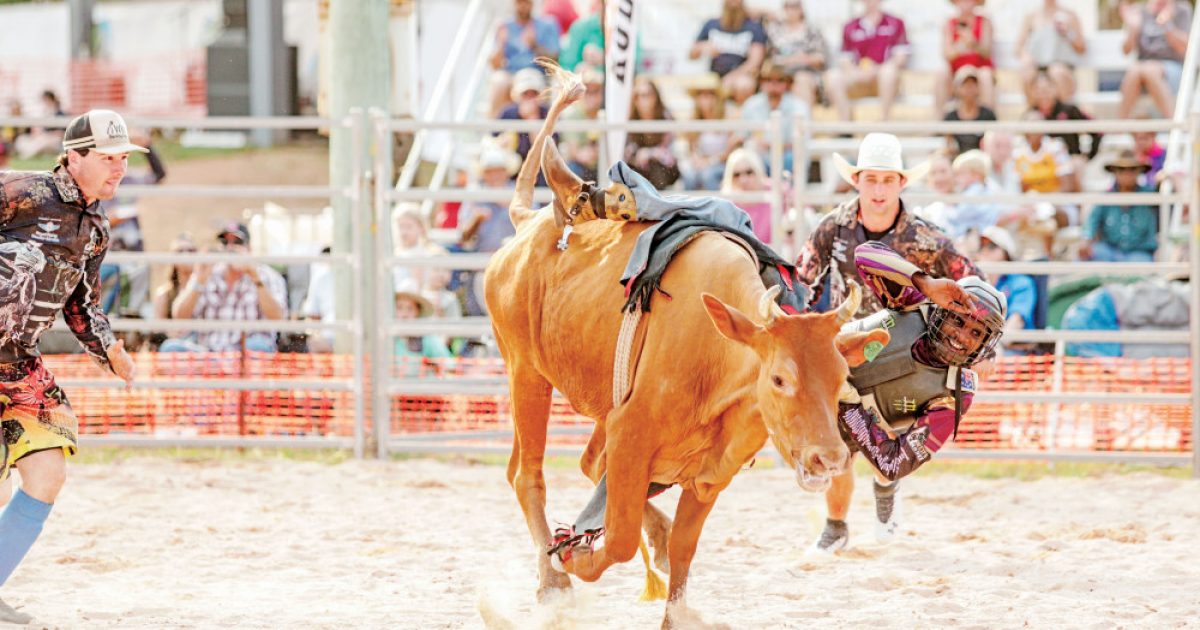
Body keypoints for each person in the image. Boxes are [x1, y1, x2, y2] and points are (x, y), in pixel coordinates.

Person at [0, 109, 139, 623]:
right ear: (74, 156)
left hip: (17, 362)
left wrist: (112, 352)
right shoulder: (21, 191)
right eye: (107, 158)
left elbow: (82, 306)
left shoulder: (95, 227)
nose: (118, 168)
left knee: (47, 474)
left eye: (123, 158)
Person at [809, 240, 1006, 554]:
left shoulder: (957, 392)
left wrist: (847, 399)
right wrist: (925, 283)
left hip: (868, 419)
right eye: (958, 320)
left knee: (870, 466)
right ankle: (835, 525)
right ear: (944, 309)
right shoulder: (914, 303)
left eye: (976, 333)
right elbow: (864, 253)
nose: (961, 337)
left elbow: (893, 462)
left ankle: (881, 494)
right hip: (819, 374)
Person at [797, 132, 984, 322]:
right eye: (871, 179)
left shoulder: (927, 238)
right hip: (845, 345)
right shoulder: (832, 227)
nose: (879, 190)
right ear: (856, 180)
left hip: (904, 349)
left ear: (901, 182)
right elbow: (800, 285)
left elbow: (976, 285)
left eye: (888, 180)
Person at [165, 222, 288, 353]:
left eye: (237, 242)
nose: (230, 248)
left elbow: (279, 318)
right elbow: (179, 316)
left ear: (249, 248)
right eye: (224, 242)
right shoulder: (208, 271)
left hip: (248, 354)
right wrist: (199, 280)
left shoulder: (268, 276)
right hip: (209, 353)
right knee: (171, 348)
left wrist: (255, 277)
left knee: (258, 346)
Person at [824, 0, 910, 122]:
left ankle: (885, 121)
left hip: (884, 77)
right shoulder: (850, 26)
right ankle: (845, 125)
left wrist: (876, 70)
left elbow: (901, 58)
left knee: (888, 72)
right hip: (859, 77)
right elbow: (845, 60)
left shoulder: (896, 23)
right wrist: (857, 73)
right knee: (832, 76)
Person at [1117, 0, 1192, 119]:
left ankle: (1174, 125)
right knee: (1135, 71)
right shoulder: (1140, 11)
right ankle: (1119, 127)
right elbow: (1126, 50)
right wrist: (1133, 28)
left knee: (1148, 70)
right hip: (1141, 72)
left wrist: (1166, 24)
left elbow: (1185, 48)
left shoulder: (1181, 10)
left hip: (1173, 70)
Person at [1029, 71, 1101, 192]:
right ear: (1033, 92)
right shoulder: (1030, 115)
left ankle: (1076, 209)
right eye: (1039, 90)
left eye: (1046, 89)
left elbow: (1097, 130)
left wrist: (1087, 156)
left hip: (1069, 159)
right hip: (1041, 162)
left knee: (1075, 166)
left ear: (1054, 89)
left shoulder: (1069, 110)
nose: (1043, 94)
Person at [1081, 150, 1159, 263]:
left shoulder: (1149, 196)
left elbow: (1166, 194)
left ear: (1138, 172)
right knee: (1093, 255)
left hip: (1139, 251)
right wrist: (1086, 240)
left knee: (1141, 265)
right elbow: (1092, 221)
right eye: (1122, 170)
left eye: (1132, 170)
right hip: (1109, 250)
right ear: (1115, 172)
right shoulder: (1106, 198)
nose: (1127, 174)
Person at [488, 0, 561, 116]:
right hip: (511, 74)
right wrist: (501, 44)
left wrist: (534, 45)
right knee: (498, 81)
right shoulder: (504, 27)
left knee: (529, 86)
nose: (522, 6)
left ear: (532, 4)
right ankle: (494, 132)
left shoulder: (547, 24)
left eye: (526, 2)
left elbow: (555, 59)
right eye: (519, 2)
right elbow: (494, 65)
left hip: (536, 73)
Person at [975, 226, 1039, 355]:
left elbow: (1016, 323)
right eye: (982, 246)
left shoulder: (1022, 283)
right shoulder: (975, 282)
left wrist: (990, 350)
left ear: (1006, 253)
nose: (985, 251)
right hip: (978, 349)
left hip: (1010, 352)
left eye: (992, 246)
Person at [739, 62, 808, 175]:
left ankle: (787, 190)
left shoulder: (799, 106)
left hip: (786, 159)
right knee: (748, 154)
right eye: (768, 80)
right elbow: (742, 136)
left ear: (787, 83)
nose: (773, 85)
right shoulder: (751, 105)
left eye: (779, 80)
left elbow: (799, 142)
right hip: (758, 157)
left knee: (791, 157)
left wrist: (770, 145)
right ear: (761, 82)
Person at [689, 0, 768, 94]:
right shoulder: (711, 24)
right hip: (713, 73)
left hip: (741, 75)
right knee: (701, 87)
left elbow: (755, 62)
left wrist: (731, 77)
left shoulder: (753, 27)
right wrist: (702, 47)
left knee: (744, 85)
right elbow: (692, 55)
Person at [1015, 0, 1086, 103]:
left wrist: (1068, 33)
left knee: (1056, 71)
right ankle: (1035, 113)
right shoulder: (1031, 16)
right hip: (1038, 67)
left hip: (1062, 67)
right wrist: (1026, 57)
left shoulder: (1070, 15)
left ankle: (1061, 114)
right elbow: (1018, 47)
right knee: (1027, 72)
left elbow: (1081, 48)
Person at [935, 0, 995, 116]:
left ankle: (988, 121)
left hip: (979, 70)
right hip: (957, 73)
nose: (965, 3)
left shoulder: (984, 22)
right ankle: (940, 122)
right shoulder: (949, 23)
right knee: (941, 74)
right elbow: (947, 54)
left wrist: (974, 44)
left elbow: (987, 52)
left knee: (986, 75)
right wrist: (961, 45)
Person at [766, 0, 829, 110]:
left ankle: (804, 124)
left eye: (795, 6)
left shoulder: (812, 30)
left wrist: (802, 60)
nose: (791, 10)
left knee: (802, 80)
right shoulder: (774, 30)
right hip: (781, 75)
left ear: (801, 9)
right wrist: (796, 59)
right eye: (788, 6)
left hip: (808, 74)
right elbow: (771, 59)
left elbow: (820, 58)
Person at [625, 77, 680, 189]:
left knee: (656, 170)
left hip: (663, 168)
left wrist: (649, 153)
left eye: (646, 95)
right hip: (638, 166)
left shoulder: (666, 117)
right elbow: (626, 151)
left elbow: (670, 154)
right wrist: (638, 156)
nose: (641, 100)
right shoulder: (630, 119)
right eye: (637, 96)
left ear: (655, 97)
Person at [680, 73, 732, 191]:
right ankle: (687, 209)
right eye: (701, 94)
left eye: (710, 94)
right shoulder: (693, 119)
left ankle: (716, 209)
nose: (705, 98)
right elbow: (691, 148)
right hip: (701, 163)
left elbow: (730, 149)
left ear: (717, 97)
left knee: (708, 175)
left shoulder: (727, 117)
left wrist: (710, 161)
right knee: (689, 176)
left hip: (722, 164)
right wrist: (697, 160)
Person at [392, 279, 452, 378]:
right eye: (399, 307)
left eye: (410, 308)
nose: (404, 314)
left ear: (417, 312)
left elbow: (449, 365)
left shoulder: (427, 339)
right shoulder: (386, 339)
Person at [148, 233, 197, 351]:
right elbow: (158, 330)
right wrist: (173, 332)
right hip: (177, 345)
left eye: (191, 250)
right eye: (180, 251)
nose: (186, 255)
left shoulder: (206, 289)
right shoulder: (165, 294)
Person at [720, 148, 775, 244]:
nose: (743, 179)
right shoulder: (726, 202)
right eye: (736, 175)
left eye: (749, 172)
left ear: (758, 171)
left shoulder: (775, 190)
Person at [943, 66, 996, 153]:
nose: (969, 88)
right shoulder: (950, 116)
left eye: (973, 84)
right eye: (965, 84)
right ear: (956, 89)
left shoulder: (988, 115)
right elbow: (948, 144)